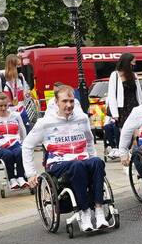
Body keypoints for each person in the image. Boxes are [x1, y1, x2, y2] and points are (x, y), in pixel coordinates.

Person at [23, 84, 113, 232]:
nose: (68, 105)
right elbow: (27, 145)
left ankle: (98, 210)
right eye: (64, 101)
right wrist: (30, 173)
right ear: (56, 102)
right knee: (77, 165)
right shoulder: (45, 123)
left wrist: (92, 158)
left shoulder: (82, 118)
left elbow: (89, 141)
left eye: (71, 101)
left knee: (97, 162)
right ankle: (84, 212)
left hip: (81, 160)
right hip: (59, 163)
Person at [105, 52, 142, 160]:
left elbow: (139, 93)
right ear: (127, 61)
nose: (134, 63)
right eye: (133, 61)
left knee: (137, 132)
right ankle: (126, 154)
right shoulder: (115, 75)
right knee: (125, 133)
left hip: (134, 106)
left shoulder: (133, 75)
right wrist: (114, 113)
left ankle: (134, 153)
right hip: (122, 108)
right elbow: (112, 94)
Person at [0, 55, 31, 119]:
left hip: (22, 112)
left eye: (20, 65)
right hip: (7, 115)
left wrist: (28, 95)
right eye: (18, 65)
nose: (20, 67)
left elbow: (26, 96)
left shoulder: (20, 77)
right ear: (11, 66)